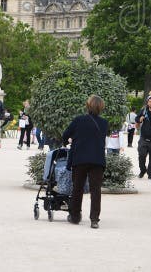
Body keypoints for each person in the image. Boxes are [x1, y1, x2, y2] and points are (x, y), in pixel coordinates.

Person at [62, 95, 108, 229]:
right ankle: (94, 219)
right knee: (95, 190)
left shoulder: (79, 120)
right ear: (101, 107)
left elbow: (66, 135)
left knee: (77, 188)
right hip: (97, 159)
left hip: (80, 158)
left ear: (88, 106)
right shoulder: (104, 123)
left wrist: (68, 141)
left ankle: (75, 216)